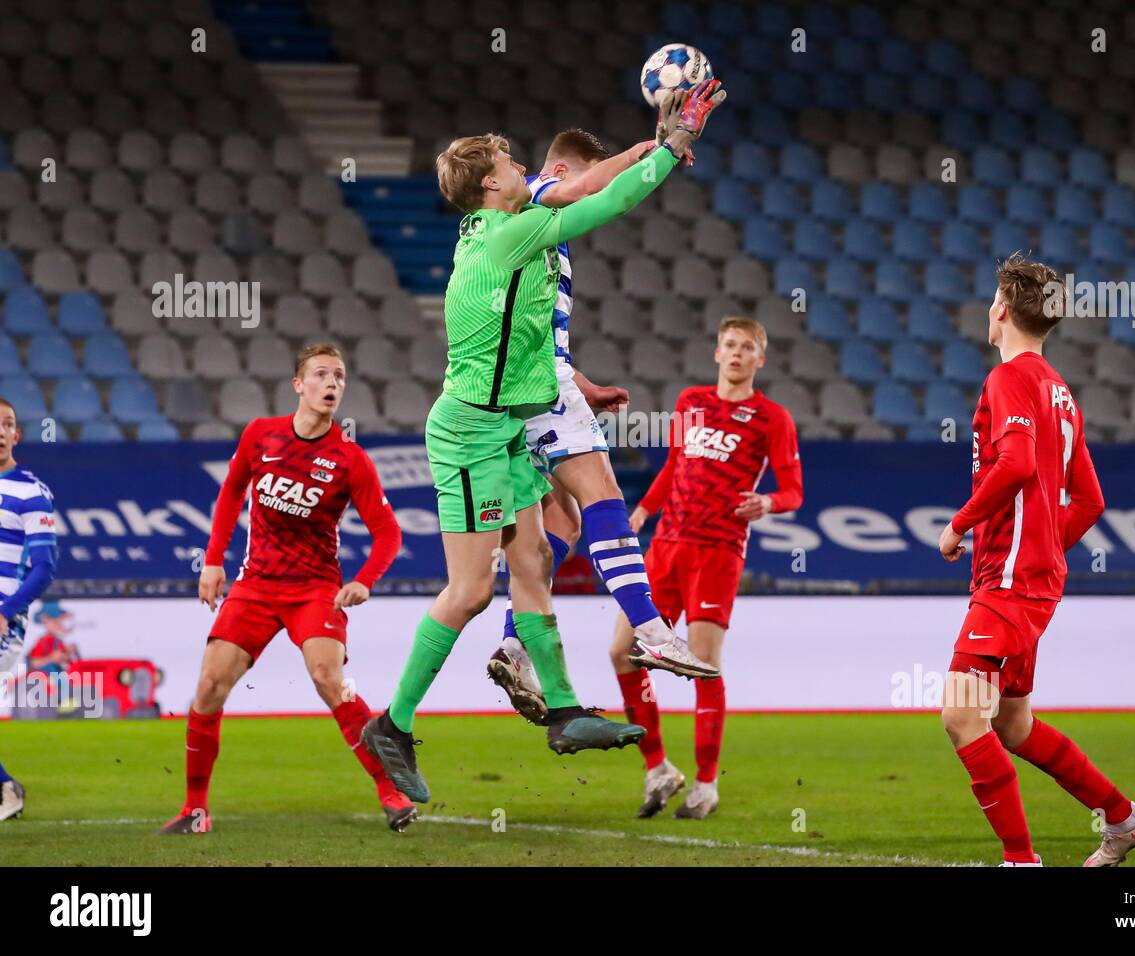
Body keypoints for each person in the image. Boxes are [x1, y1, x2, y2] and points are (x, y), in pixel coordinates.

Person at [362, 82, 727, 805]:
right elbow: (604, 201)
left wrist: (653, 144)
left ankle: (562, 711)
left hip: (507, 422)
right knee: (471, 591)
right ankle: (392, 726)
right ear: (491, 184)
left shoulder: (495, 222)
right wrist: (673, 147)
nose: (520, 166)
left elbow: (581, 183)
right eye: (508, 161)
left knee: (532, 560)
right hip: (469, 432)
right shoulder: (510, 233)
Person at [937, 253, 1135, 867]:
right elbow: (1089, 500)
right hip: (1033, 578)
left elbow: (1014, 464)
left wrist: (959, 524)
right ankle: (1125, 818)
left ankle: (1020, 860)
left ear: (1001, 311)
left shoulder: (1008, 379)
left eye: (992, 300)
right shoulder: (1061, 393)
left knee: (961, 714)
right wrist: (1042, 546)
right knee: (1012, 725)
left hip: (1010, 581)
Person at [486, 128, 719, 725]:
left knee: (558, 526)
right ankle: (650, 629)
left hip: (518, 391)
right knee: (604, 495)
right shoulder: (537, 192)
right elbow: (592, 187)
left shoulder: (529, 234)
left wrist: (583, 383)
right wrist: (652, 150)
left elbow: (534, 328)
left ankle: (514, 645)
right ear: (560, 170)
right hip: (540, 386)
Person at [160, 343, 410, 834]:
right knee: (209, 687)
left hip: (315, 589)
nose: (332, 383)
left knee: (328, 678)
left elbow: (388, 532)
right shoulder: (261, 434)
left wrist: (364, 580)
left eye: (339, 376)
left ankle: (392, 791)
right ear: (298, 384)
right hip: (255, 585)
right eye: (321, 374)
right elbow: (232, 492)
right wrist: (213, 560)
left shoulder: (350, 458)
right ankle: (194, 810)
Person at [612, 317, 803, 819]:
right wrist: (642, 511)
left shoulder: (772, 418)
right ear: (717, 353)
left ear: (760, 359)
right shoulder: (690, 402)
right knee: (623, 652)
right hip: (665, 546)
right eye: (729, 345)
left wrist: (768, 502)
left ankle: (705, 785)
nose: (737, 353)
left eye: (747, 347)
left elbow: (793, 490)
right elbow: (674, 466)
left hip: (717, 551)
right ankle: (658, 767)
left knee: (703, 663)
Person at [0, 397, 58, 824]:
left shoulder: (31, 493)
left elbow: (44, 568)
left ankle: (7, 789)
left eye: (7, 424)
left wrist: (7, 610)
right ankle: (7, 788)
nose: (0, 431)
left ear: (16, 435)